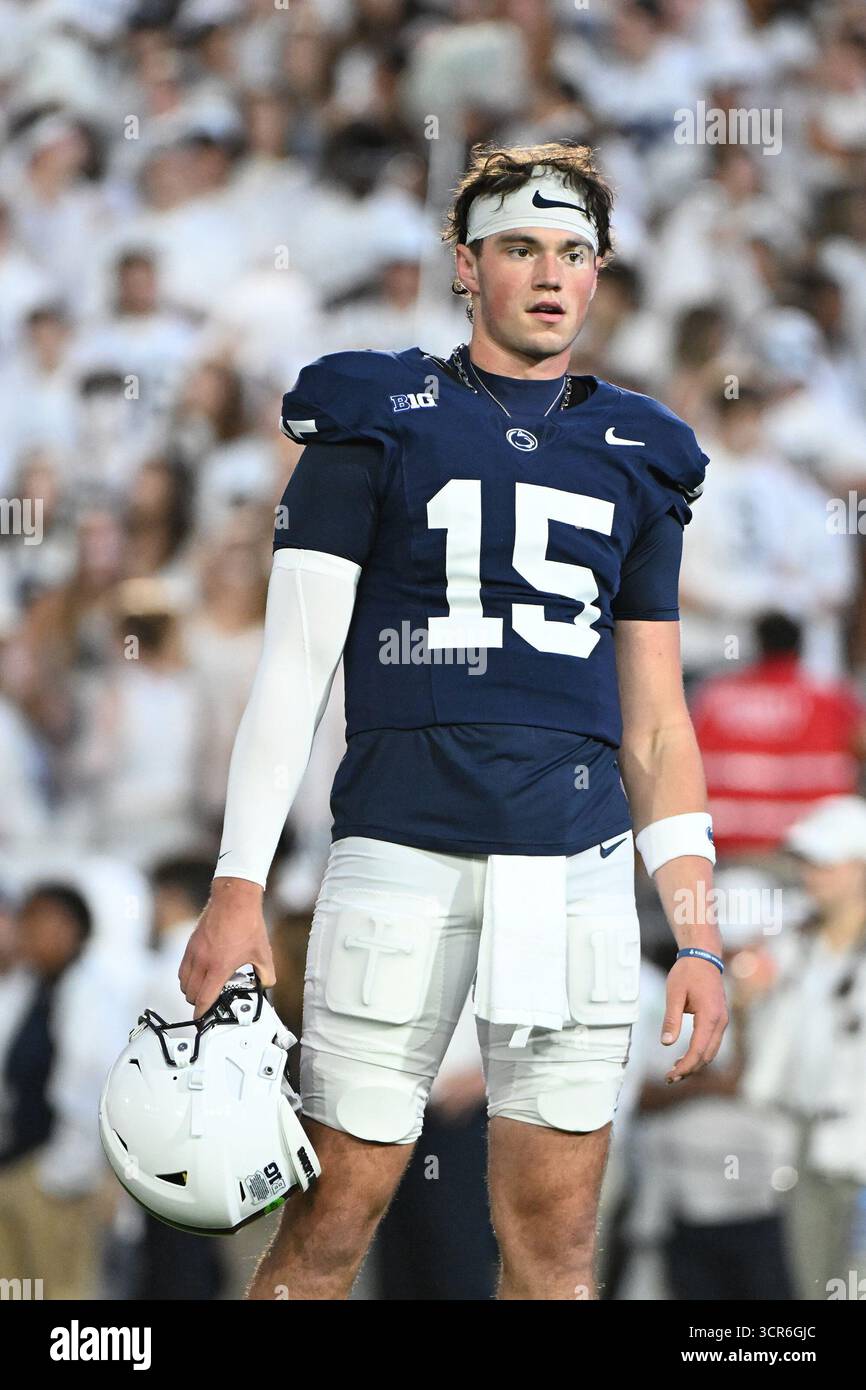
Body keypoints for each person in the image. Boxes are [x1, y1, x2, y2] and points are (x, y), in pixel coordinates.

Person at [180, 141, 726, 1301]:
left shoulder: (641, 449)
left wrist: (695, 931)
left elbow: (656, 728)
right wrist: (236, 884)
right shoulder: (374, 409)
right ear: (464, 267)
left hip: (574, 870)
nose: (548, 273)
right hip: (399, 856)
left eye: (572, 251)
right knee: (330, 1219)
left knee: (556, 1245)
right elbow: (295, 670)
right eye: (519, 246)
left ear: (597, 274)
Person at [742, 795, 866, 1300]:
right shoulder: (788, 947)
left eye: (824, 864)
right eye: (807, 863)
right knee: (812, 1292)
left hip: (858, 1149)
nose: (810, 876)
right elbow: (761, 1060)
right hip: (806, 1144)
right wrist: (747, 1004)